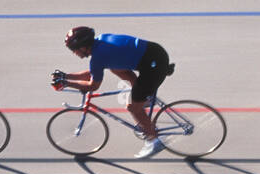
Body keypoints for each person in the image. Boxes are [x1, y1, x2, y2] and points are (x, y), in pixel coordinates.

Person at [52, 26, 172, 158]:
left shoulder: (98, 57)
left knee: (133, 107)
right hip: (155, 54)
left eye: (74, 49)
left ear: (83, 46)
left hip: (154, 66)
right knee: (115, 68)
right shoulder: (101, 42)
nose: (74, 53)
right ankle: (145, 97)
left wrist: (66, 83)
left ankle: (154, 140)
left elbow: (93, 85)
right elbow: (93, 72)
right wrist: (66, 76)